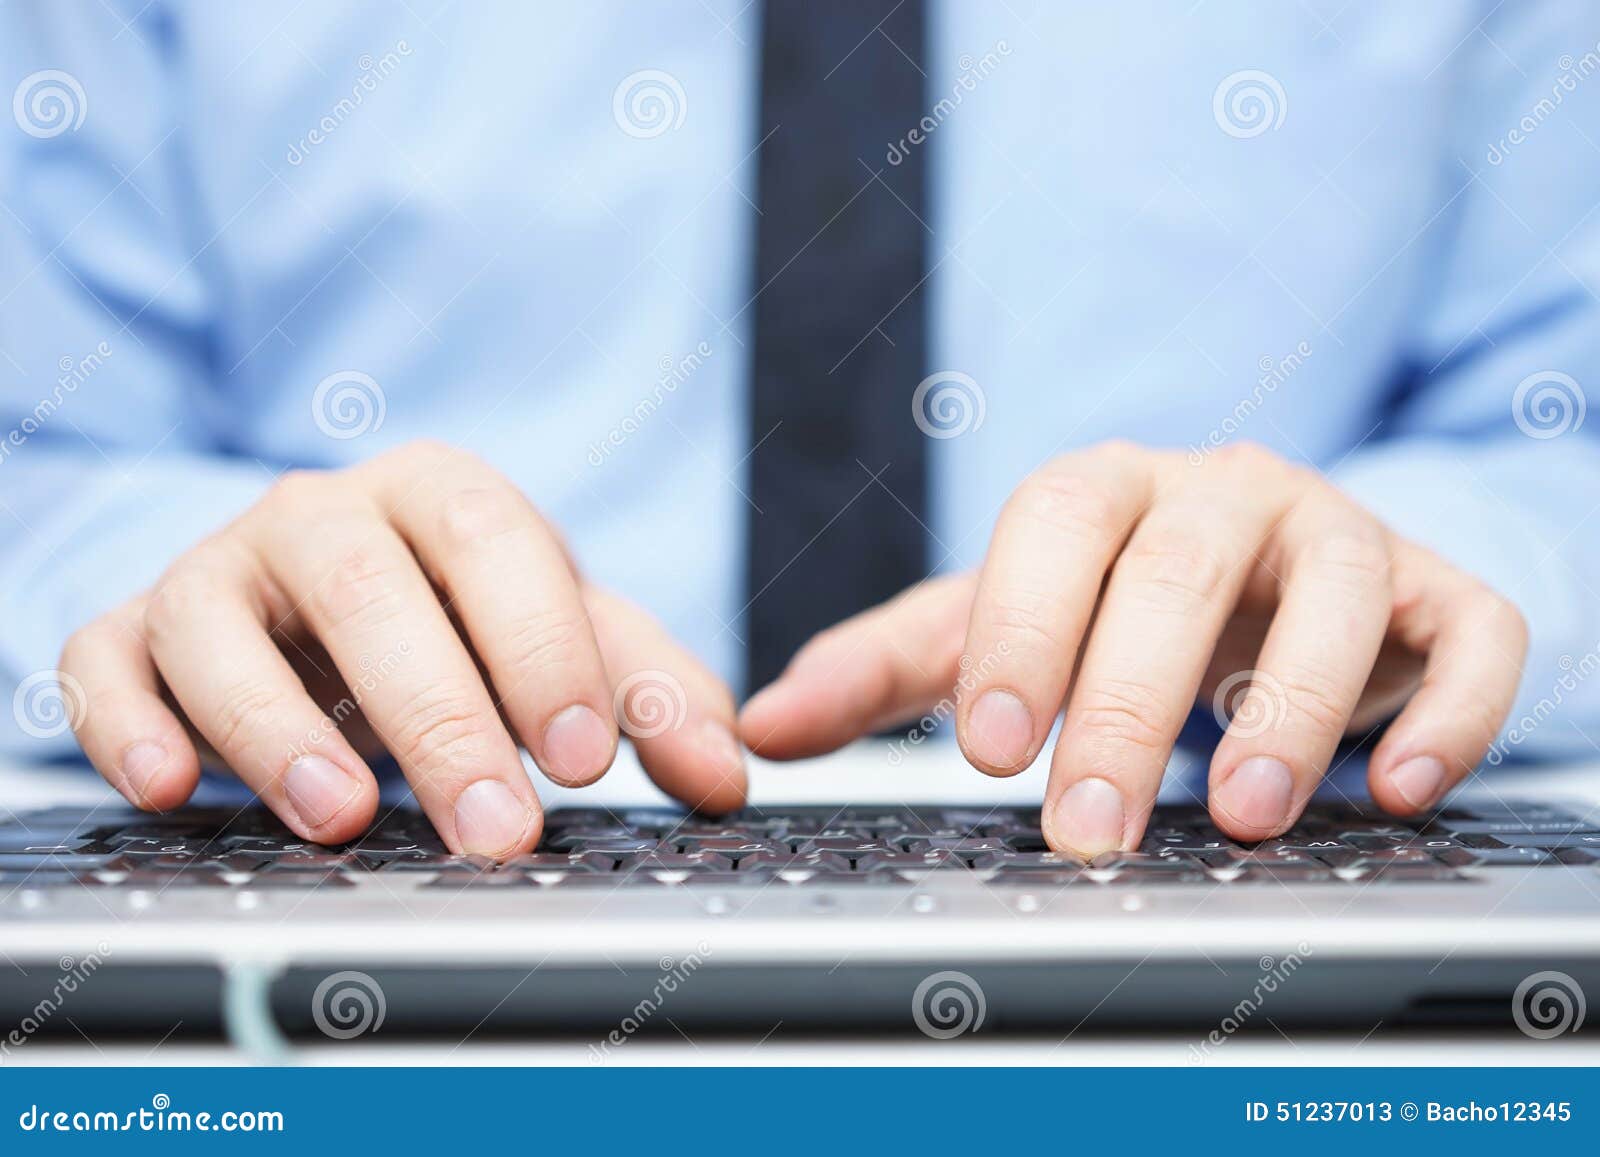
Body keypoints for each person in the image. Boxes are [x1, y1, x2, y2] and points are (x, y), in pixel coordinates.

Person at [2, 2, 1597, 862]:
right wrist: (195, 600)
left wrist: (1413, 579)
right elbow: (40, 451)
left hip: (1234, 842)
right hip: (368, 858)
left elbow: (1562, 429)